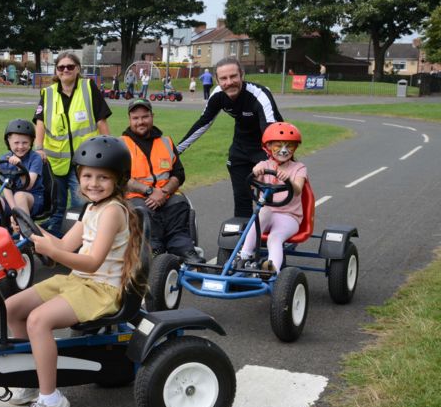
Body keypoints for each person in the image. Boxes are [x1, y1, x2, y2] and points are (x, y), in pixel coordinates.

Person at [5, 136, 145, 407]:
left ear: (118, 179)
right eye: (87, 176)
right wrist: (30, 226)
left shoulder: (113, 211)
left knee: (38, 320)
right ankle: (29, 378)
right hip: (79, 281)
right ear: (79, 177)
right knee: (13, 307)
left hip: (102, 289)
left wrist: (52, 252)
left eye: (102, 177)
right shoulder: (91, 209)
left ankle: (51, 400)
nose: (93, 183)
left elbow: (92, 262)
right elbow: (64, 244)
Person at [177, 57, 284, 218]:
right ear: (217, 80)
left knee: (271, 200)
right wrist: (176, 151)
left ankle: (274, 237)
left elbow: (271, 130)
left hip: (269, 147)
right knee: (241, 198)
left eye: (233, 76)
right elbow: (203, 123)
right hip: (240, 147)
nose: (229, 82)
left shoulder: (260, 95)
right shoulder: (218, 95)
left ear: (242, 75)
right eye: (224, 78)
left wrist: (272, 160)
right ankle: (244, 240)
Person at [33, 51, 111, 236]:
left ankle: (84, 243)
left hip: (84, 163)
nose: (65, 70)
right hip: (56, 162)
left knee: (82, 205)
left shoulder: (88, 87)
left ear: (78, 69)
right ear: (56, 71)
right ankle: (57, 243)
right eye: (61, 67)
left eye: (70, 66)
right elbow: (40, 122)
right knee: (57, 206)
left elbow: (101, 120)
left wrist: (108, 147)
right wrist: (39, 148)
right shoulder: (48, 93)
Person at [121, 99, 201, 262]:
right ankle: (154, 251)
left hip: (167, 194)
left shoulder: (166, 142)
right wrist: (150, 192)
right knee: (144, 211)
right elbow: (122, 178)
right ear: (129, 119)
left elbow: (179, 174)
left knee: (179, 204)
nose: (141, 122)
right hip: (137, 197)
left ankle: (184, 249)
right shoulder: (121, 145)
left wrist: (164, 192)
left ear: (152, 116)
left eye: (145, 117)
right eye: (136, 118)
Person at [238, 122, 307, 273]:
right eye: (279, 145)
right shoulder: (264, 165)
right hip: (268, 213)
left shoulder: (299, 168)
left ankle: (271, 269)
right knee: (259, 215)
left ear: (295, 148)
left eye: (289, 146)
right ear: (268, 146)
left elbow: (297, 190)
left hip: (289, 217)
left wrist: (288, 180)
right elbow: (251, 187)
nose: (284, 150)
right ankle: (244, 256)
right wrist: (256, 172)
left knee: (274, 238)